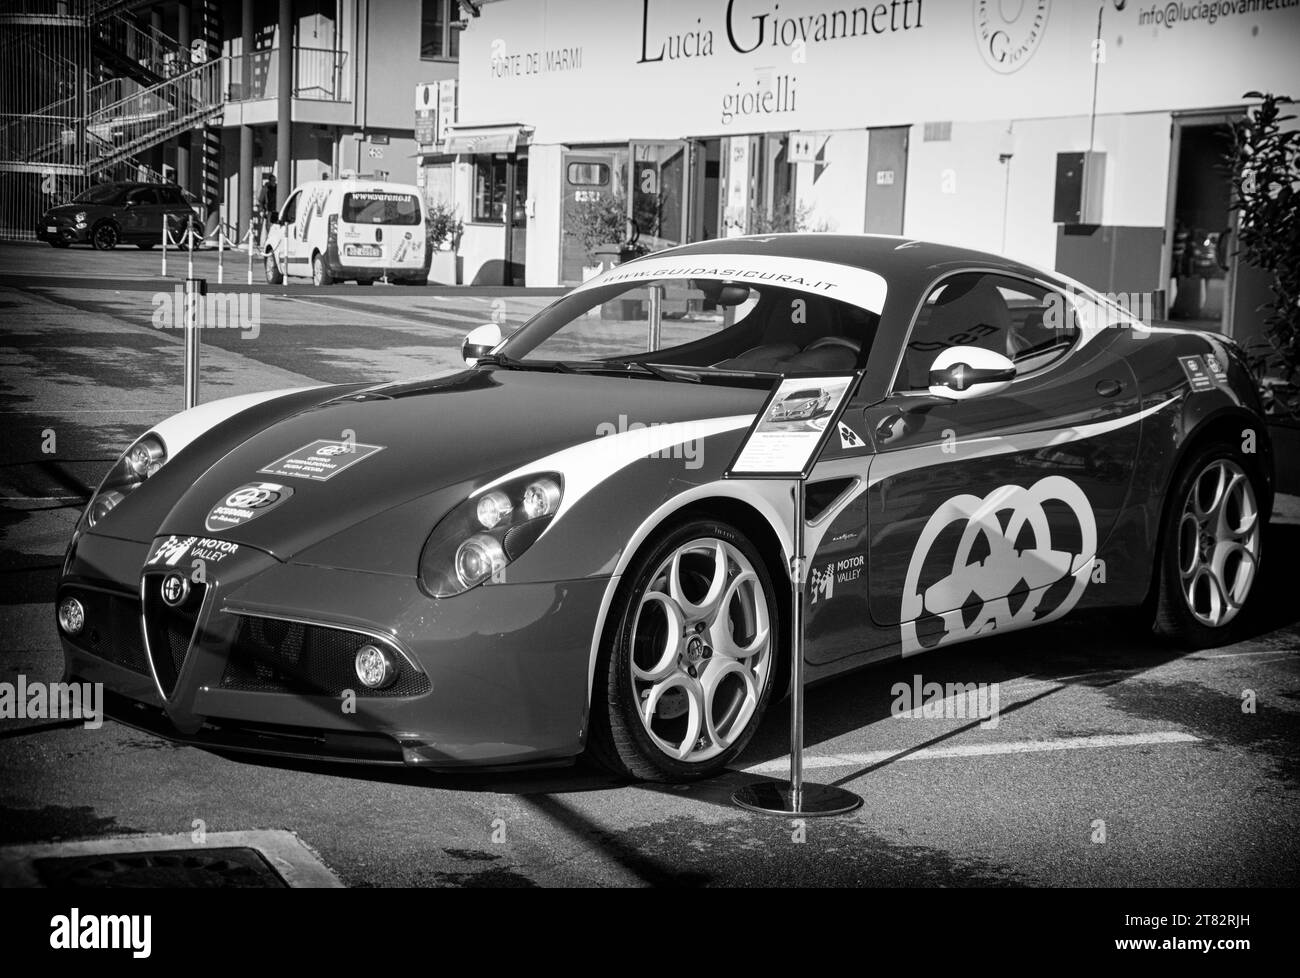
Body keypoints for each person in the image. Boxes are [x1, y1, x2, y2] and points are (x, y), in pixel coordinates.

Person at [257, 173, 277, 244]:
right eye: (272, 181)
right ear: (270, 181)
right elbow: (261, 200)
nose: (274, 182)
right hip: (268, 210)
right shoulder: (265, 189)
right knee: (268, 226)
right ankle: (269, 240)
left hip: (275, 209)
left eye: (274, 180)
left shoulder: (276, 188)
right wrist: (261, 210)